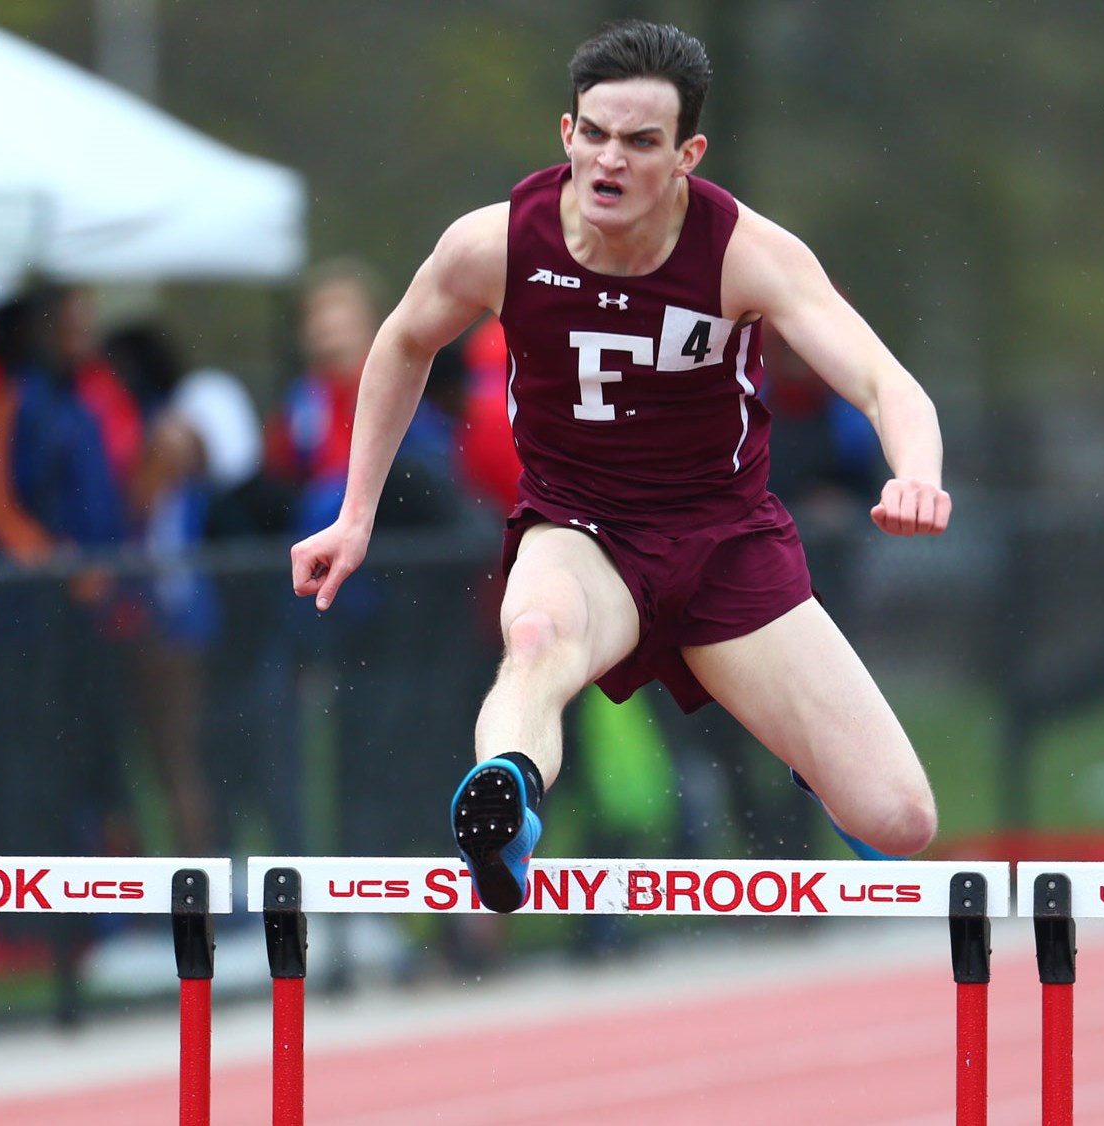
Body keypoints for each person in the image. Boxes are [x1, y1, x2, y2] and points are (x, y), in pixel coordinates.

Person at [290, 20, 949, 912]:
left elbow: (881, 378)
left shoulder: (745, 253)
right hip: (580, 530)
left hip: (724, 544)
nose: (610, 162)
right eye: (593, 135)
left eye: (641, 143)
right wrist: (354, 514)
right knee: (534, 643)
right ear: (567, 134)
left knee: (902, 818)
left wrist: (915, 470)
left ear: (688, 156)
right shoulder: (498, 243)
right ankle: (508, 800)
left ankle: (815, 763)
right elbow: (402, 343)